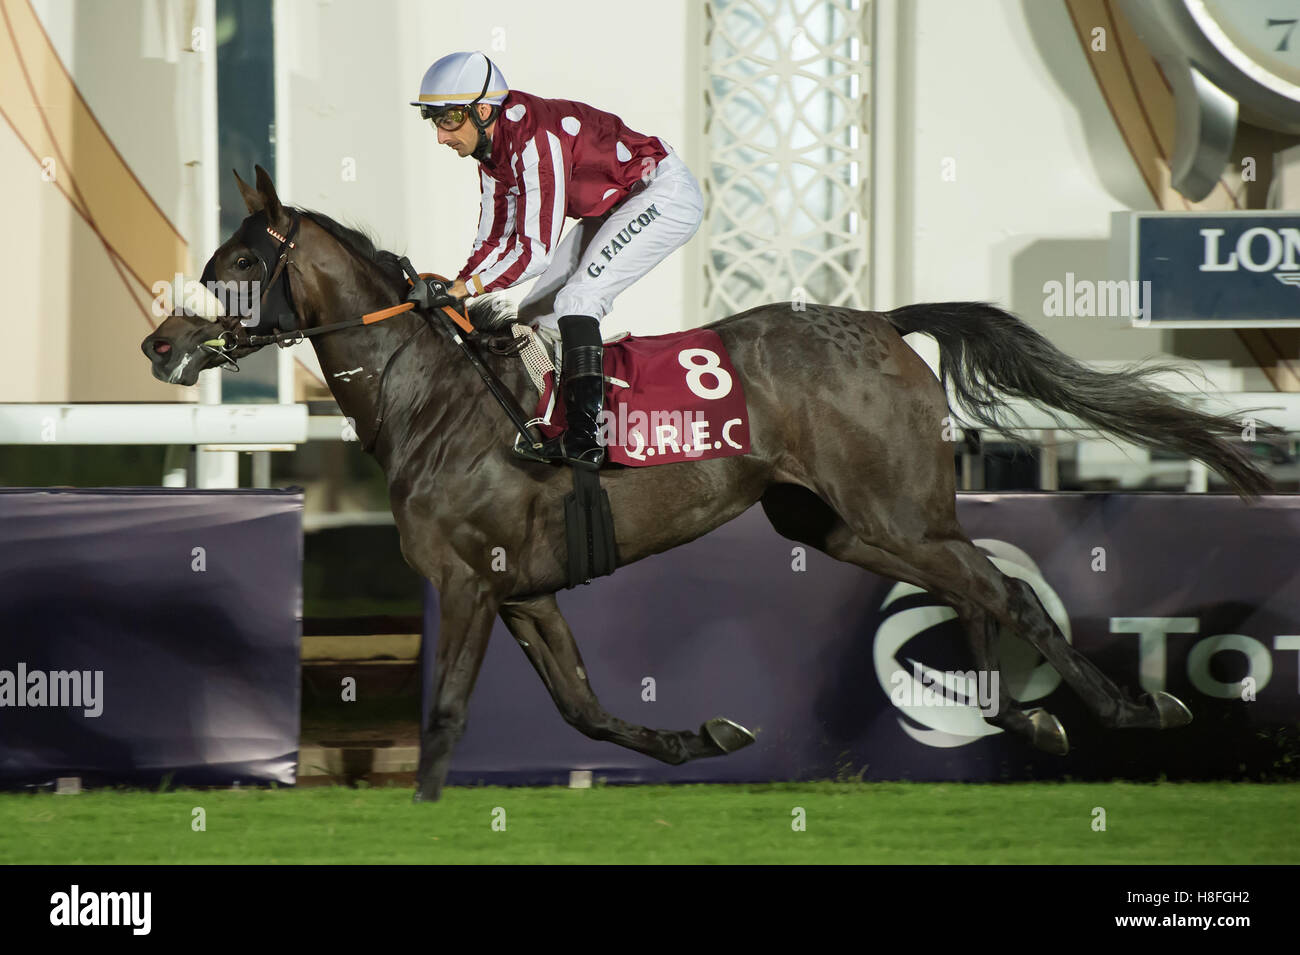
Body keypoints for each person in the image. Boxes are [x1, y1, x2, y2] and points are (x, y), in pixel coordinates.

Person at [412, 50, 704, 468]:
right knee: (534, 318)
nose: (441, 136)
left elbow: (533, 253)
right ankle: (558, 421)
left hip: (662, 194)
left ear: (481, 110)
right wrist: (456, 285)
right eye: (433, 120)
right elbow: (494, 238)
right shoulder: (493, 151)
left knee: (578, 301)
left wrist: (464, 289)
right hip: (620, 203)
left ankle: (588, 438)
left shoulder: (533, 141)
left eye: (447, 119)